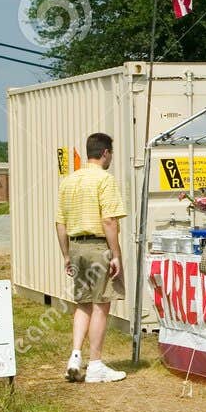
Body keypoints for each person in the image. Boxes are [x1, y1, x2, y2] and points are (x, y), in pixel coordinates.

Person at [56, 132, 127, 383]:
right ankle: (95, 364)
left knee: (82, 304)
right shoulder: (104, 180)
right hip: (98, 247)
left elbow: (60, 223)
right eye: (111, 154)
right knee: (101, 305)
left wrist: (66, 254)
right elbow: (108, 220)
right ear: (105, 153)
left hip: (75, 246)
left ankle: (75, 356)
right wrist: (116, 255)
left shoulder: (68, 181)